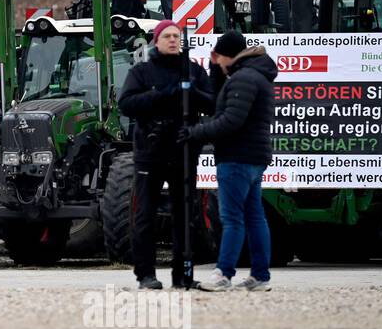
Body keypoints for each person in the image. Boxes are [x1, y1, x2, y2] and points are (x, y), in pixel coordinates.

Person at [117, 21, 214, 289]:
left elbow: (214, 102)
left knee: (186, 215)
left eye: (177, 36)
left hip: (183, 151)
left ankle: (183, 275)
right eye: (168, 36)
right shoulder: (142, 72)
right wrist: (159, 96)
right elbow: (126, 104)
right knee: (145, 215)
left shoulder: (192, 70)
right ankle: (146, 274)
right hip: (151, 152)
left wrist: (193, 94)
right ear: (156, 41)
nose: (173, 40)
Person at [181, 30, 277, 292]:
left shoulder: (243, 79)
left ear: (227, 55)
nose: (215, 62)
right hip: (254, 157)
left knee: (232, 218)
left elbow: (231, 120)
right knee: (255, 217)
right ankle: (260, 276)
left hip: (237, 156)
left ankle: (223, 274)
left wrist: (194, 132)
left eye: (217, 57)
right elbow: (223, 106)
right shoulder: (256, 75)